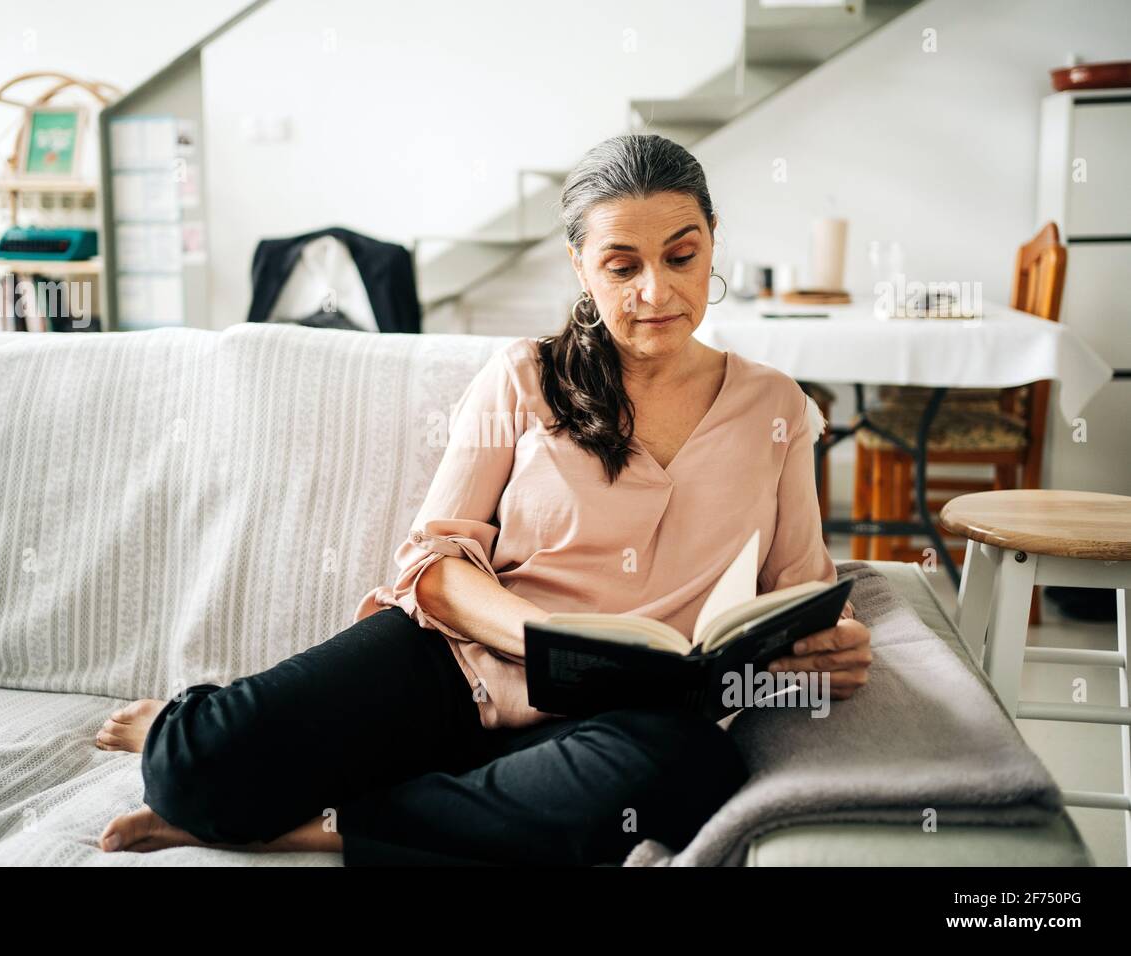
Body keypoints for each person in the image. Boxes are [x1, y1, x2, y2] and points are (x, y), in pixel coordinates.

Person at [95, 133, 872, 865]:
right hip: (457, 665)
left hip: (627, 718)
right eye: (622, 265)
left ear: (710, 246)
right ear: (580, 268)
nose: (655, 291)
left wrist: (824, 650)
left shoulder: (775, 406)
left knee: (694, 770)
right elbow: (432, 565)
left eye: (681, 257)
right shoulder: (524, 375)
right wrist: (551, 641)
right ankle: (181, 724)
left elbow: (799, 588)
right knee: (192, 770)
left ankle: (317, 830)